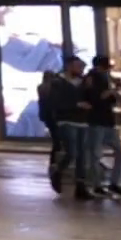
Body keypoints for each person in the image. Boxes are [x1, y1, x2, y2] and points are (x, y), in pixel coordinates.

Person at [80, 55, 121, 200]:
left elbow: (110, 99)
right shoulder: (91, 78)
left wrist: (112, 94)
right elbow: (95, 98)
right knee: (96, 154)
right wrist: (110, 92)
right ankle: (97, 185)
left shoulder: (105, 78)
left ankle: (113, 183)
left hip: (108, 121)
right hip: (96, 121)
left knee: (120, 152)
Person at [41, 56, 84, 195]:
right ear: (69, 66)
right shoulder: (58, 83)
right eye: (77, 66)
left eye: (81, 66)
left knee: (81, 155)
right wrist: (76, 105)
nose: (80, 69)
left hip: (82, 122)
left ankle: (80, 186)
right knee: (72, 152)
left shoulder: (82, 82)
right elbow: (55, 103)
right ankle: (57, 170)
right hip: (66, 121)